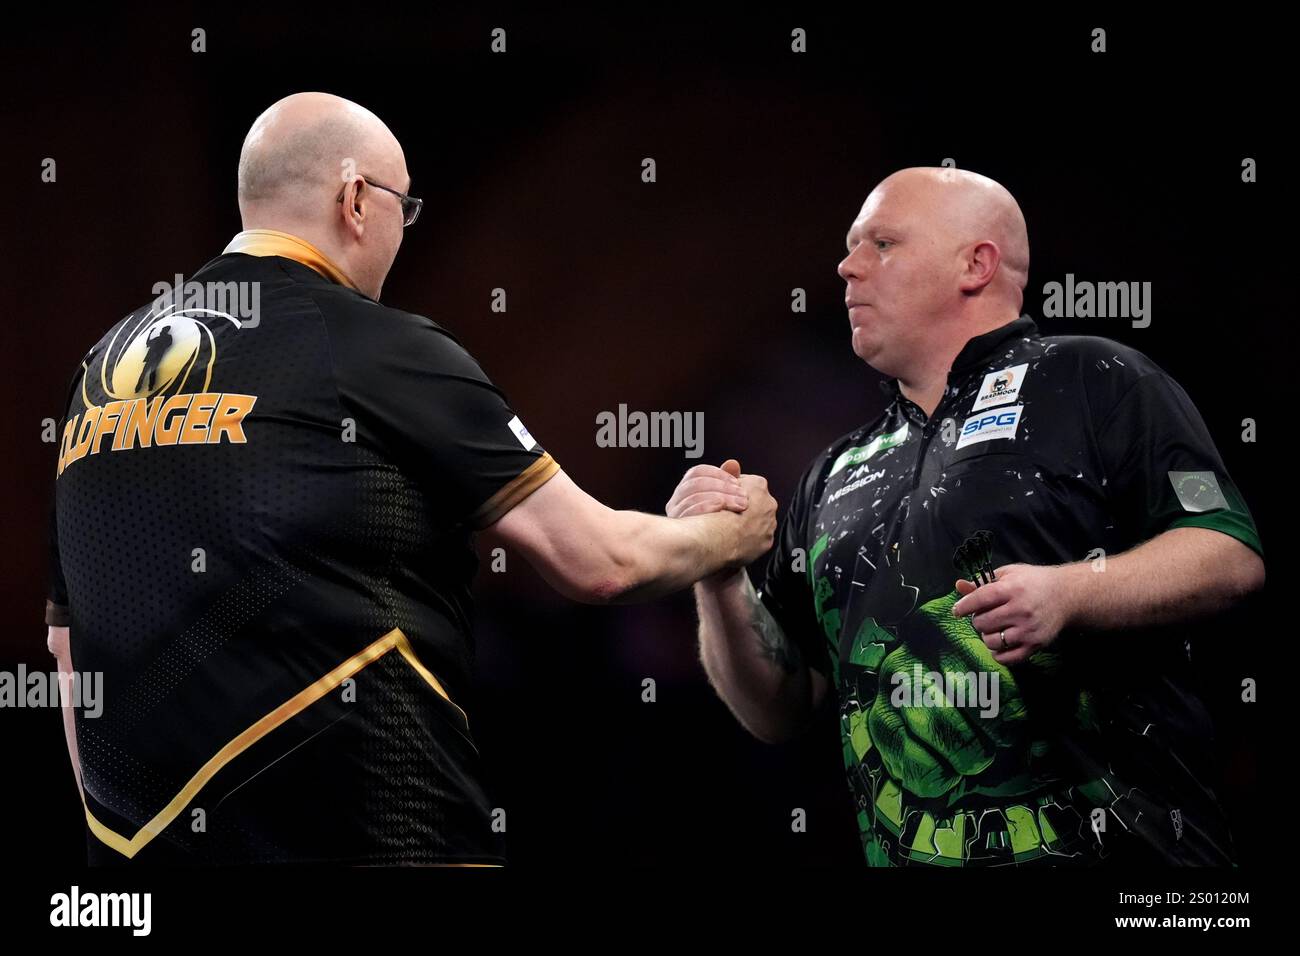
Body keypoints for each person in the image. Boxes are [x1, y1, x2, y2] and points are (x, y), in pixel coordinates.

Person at [44, 92, 776, 865]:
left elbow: (66, 652)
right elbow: (600, 560)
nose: (402, 230)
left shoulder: (98, 374)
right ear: (356, 199)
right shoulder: (373, 345)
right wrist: (730, 531)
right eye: (405, 206)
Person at [668, 167, 1265, 866]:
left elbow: (1230, 553)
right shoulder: (834, 472)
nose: (847, 267)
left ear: (975, 264)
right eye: (852, 247)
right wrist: (715, 572)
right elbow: (778, 707)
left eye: (881, 244)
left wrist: (1071, 593)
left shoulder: (1095, 380)